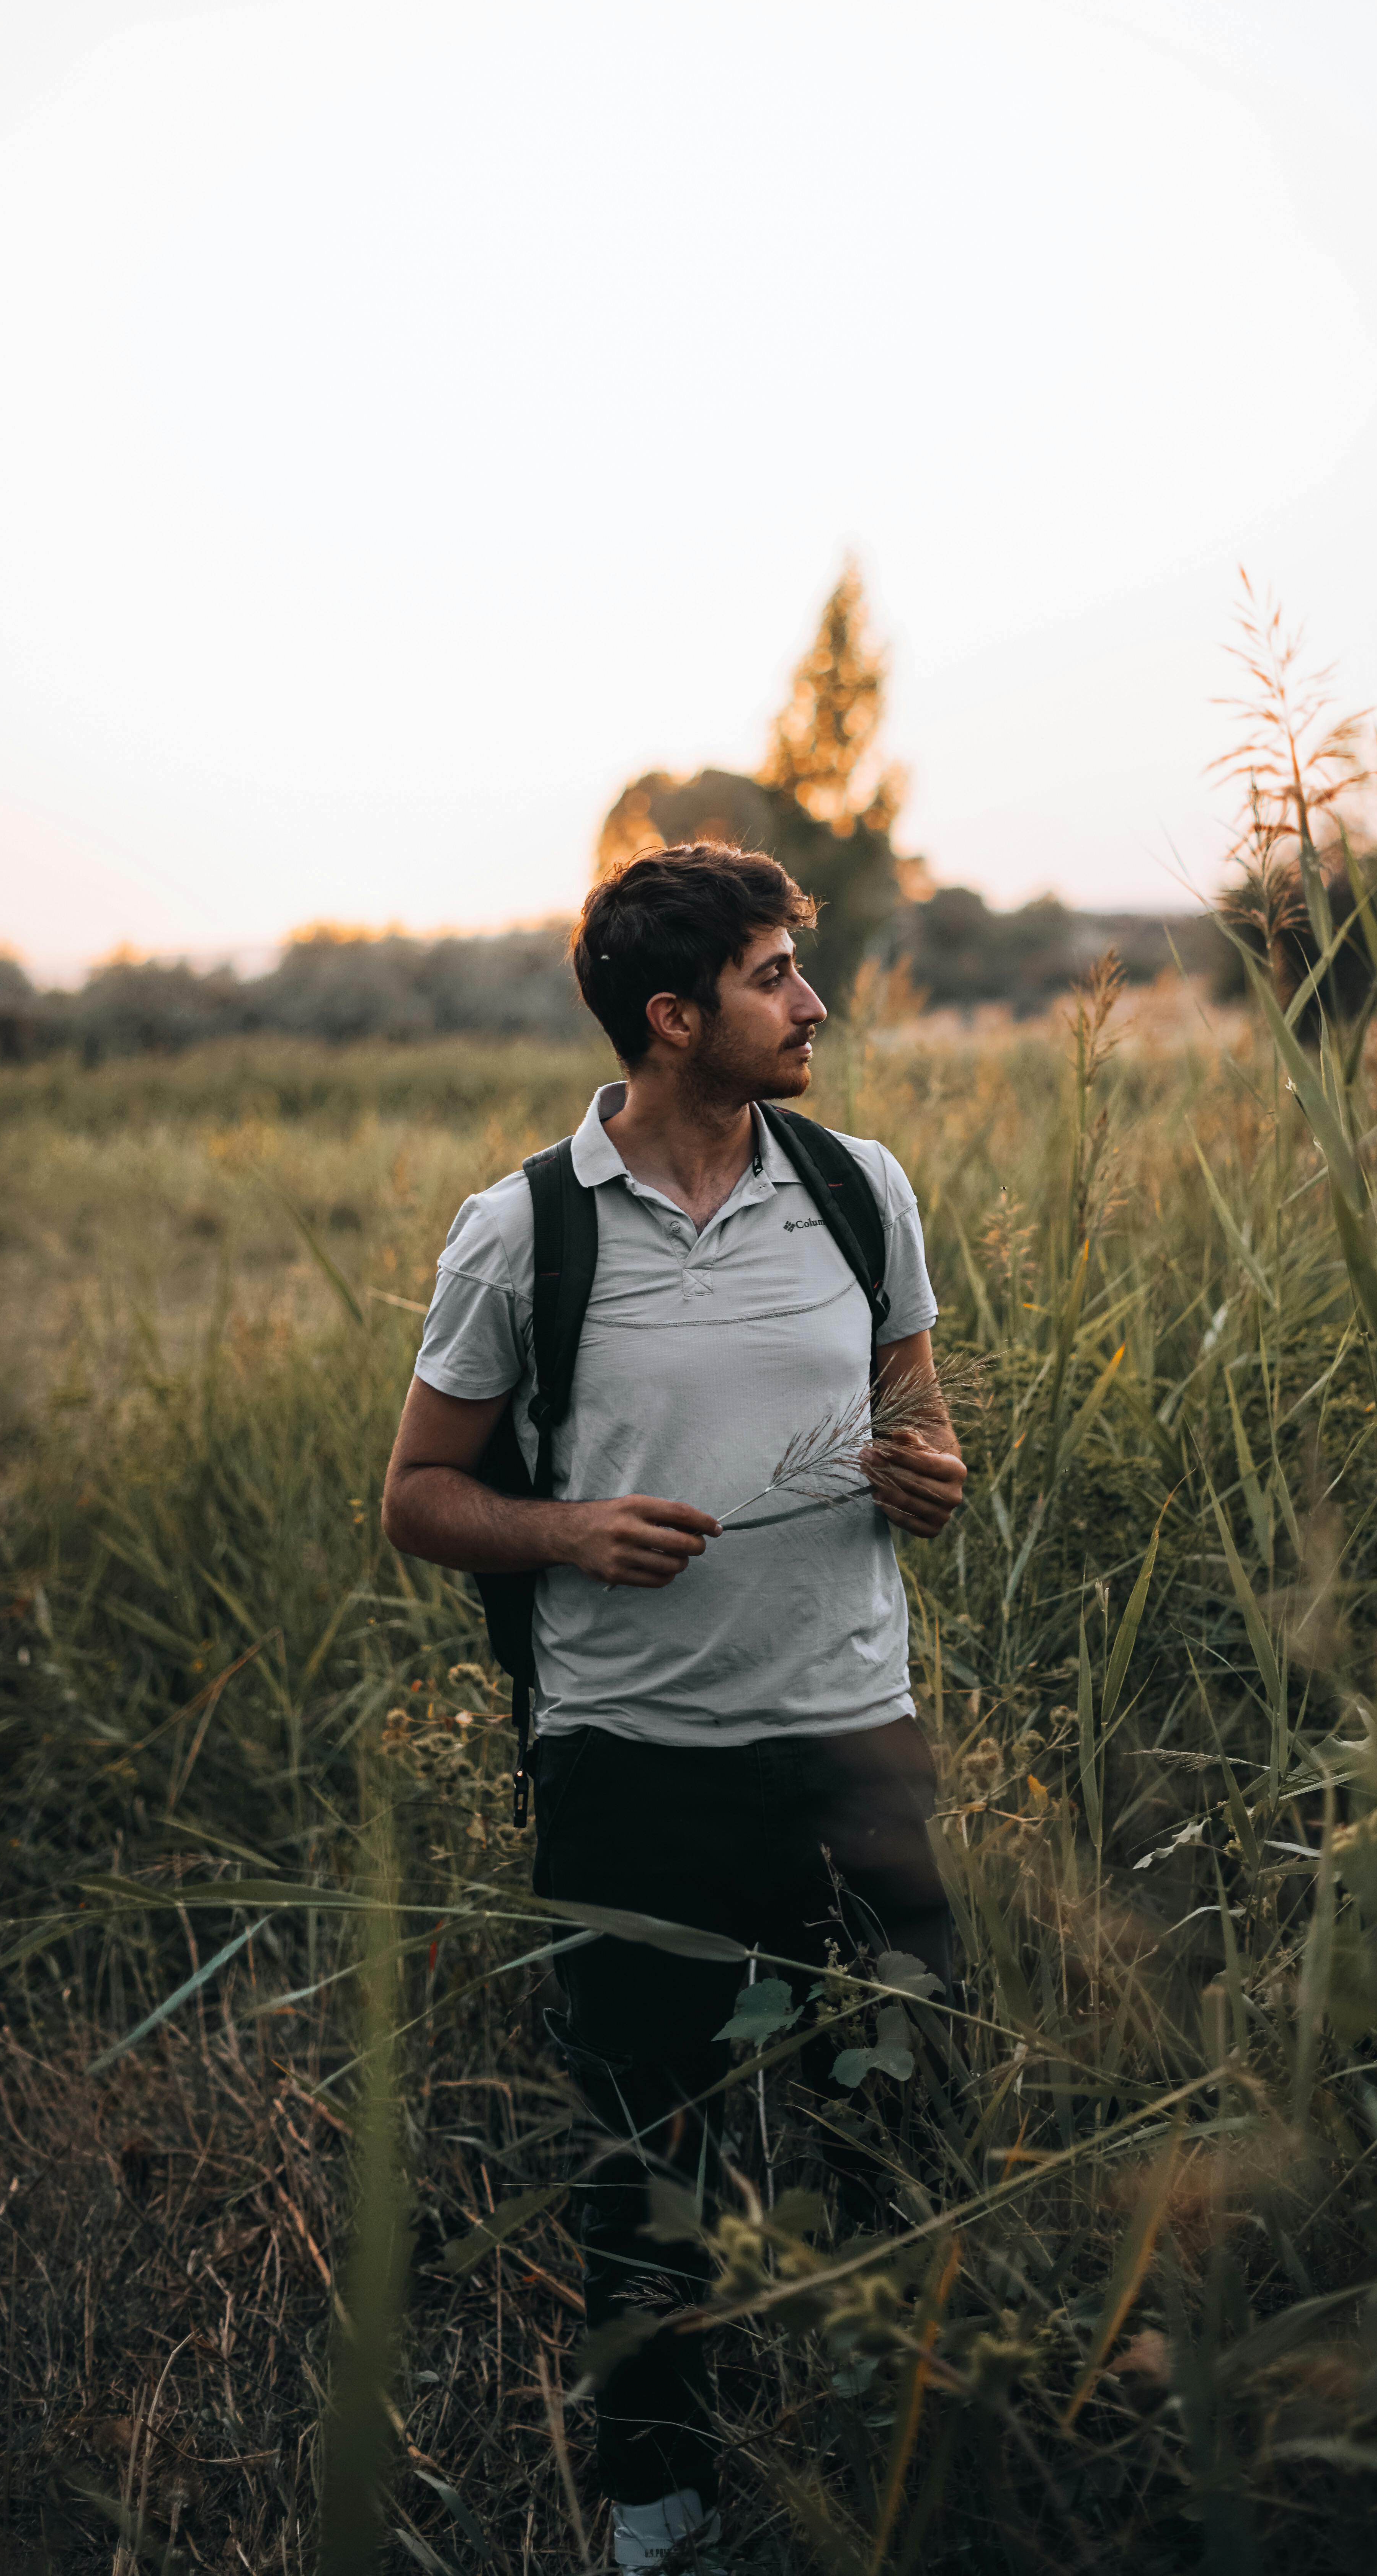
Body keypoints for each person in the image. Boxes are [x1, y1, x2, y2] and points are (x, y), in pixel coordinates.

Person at [382, 842, 965, 2568]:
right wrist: (567, 1531)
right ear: (672, 1016)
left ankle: (905, 2471)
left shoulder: (860, 1189)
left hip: (856, 1750)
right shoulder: (524, 1232)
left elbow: (916, 1407)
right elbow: (418, 1494)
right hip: (632, 1772)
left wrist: (931, 1470)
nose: (813, 1003)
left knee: (910, 2125)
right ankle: (663, 2511)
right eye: (775, 975)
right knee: (649, 2165)